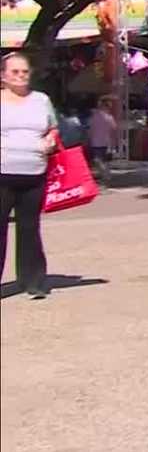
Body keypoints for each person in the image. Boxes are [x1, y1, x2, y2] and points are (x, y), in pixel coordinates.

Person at [0, 52, 59, 299]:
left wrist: (50, 139)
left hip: (34, 172)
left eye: (25, 71)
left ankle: (33, 281)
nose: (21, 76)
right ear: (3, 76)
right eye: (15, 72)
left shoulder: (41, 100)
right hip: (3, 172)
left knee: (29, 228)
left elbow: (53, 127)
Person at [87, 95, 118, 190]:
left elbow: (90, 129)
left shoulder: (98, 116)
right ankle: (105, 177)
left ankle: (106, 177)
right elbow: (114, 130)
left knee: (99, 160)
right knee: (101, 161)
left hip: (99, 142)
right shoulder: (107, 117)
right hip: (103, 142)